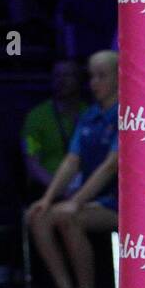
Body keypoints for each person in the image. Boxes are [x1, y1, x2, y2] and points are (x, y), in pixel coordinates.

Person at [26, 50, 119, 288]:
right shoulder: (89, 116)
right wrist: (48, 197)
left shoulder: (129, 115)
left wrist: (76, 201)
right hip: (98, 201)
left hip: (127, 203)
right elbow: (71, 161)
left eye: (102, 76)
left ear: (120, 77)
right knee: (39, 217)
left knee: (70, 216)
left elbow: (111, 166)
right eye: (91, 76)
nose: (94, 83)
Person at [21, 58, 85, 196]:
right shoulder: (36, 117)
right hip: (49, 189)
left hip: (88, 188)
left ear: (79, 80)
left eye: (67, 75)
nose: (61, 80)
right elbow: (32, 164)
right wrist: (59, 189)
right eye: (57, 76)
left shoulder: (92, 114)